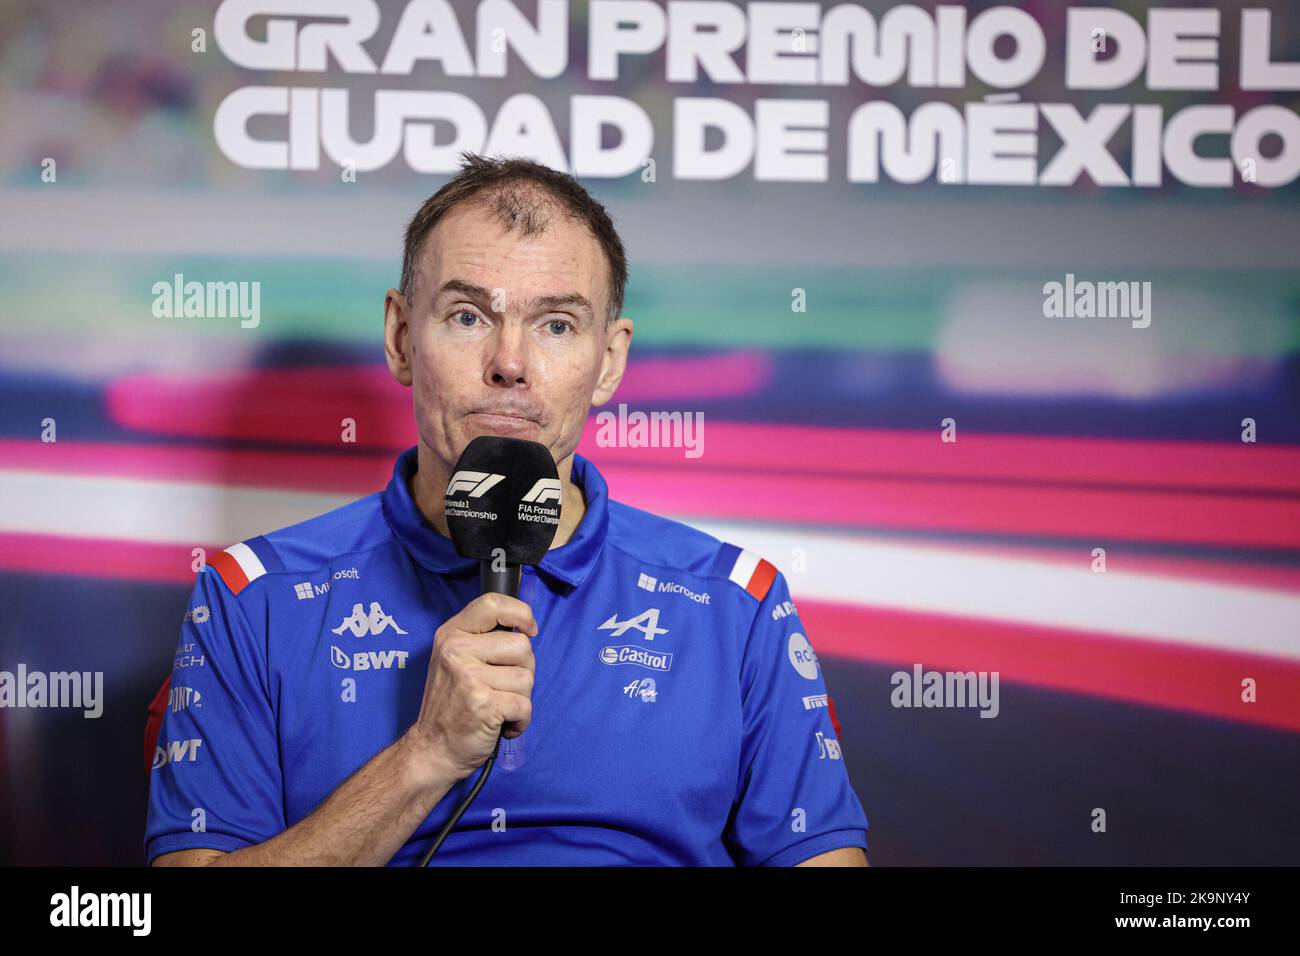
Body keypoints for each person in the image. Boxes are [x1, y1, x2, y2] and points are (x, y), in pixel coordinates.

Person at [145, 152, 869, 866]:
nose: (510, 363)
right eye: (467, 316)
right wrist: (425, 756)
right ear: (401, 338)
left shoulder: (735, 604)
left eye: (556, 324)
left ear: (610, 360)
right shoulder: (251, 597)